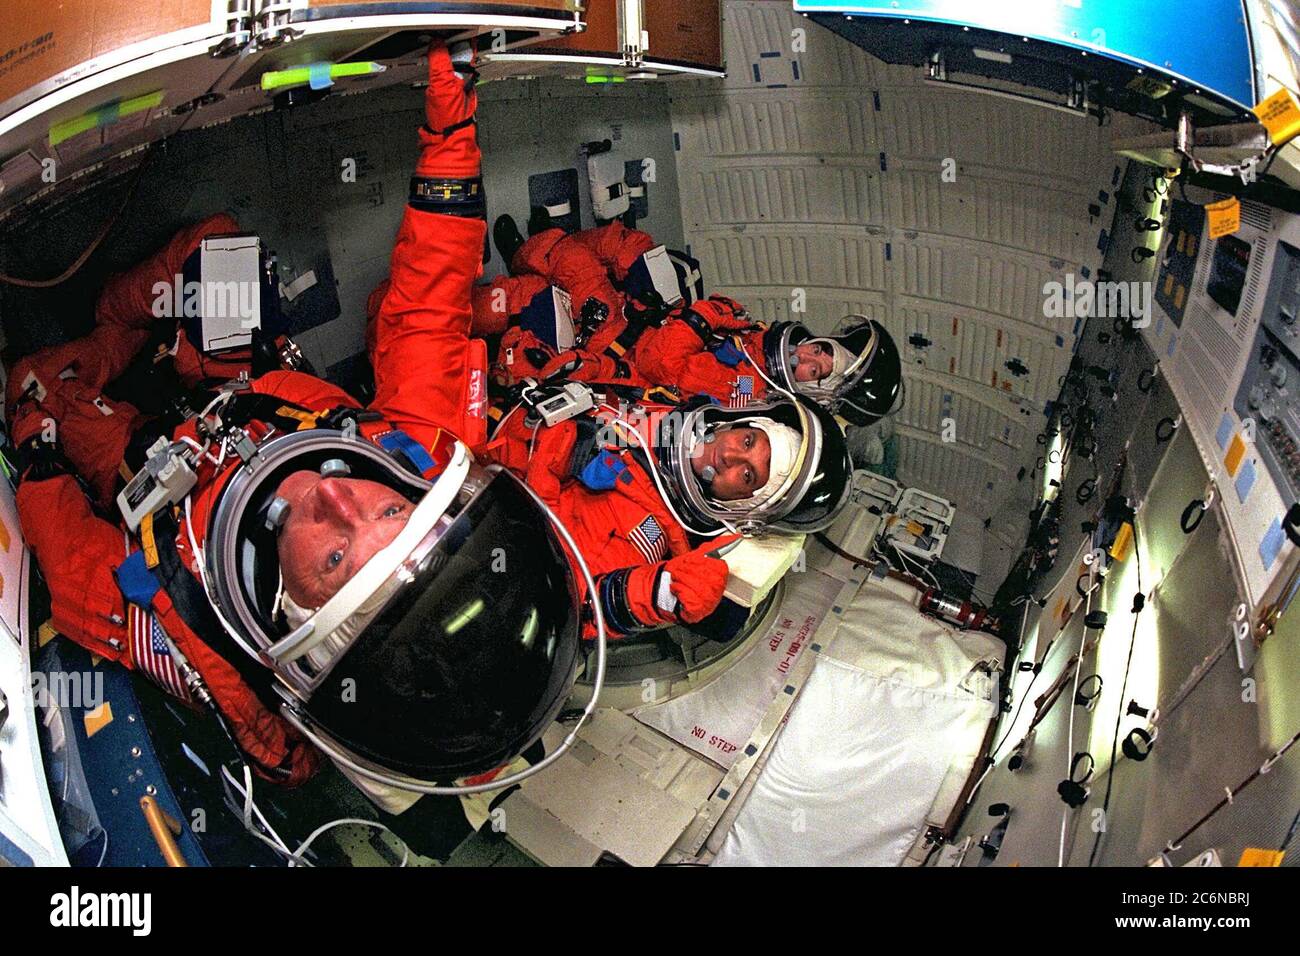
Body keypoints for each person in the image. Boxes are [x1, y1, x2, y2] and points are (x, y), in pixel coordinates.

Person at [6, 41, 586, 804]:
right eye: (387, 510)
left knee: (35, 388)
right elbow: (430, 295)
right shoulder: (415, 449)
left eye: (337, 560)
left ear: (294, 618)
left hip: (143, 464)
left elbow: (74, 565)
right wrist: (451, 122)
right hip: (243, 390)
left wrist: (39, 452)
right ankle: (117, 332)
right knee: (217, 245)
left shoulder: (194, 631)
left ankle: (98, 360)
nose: (340, 498)